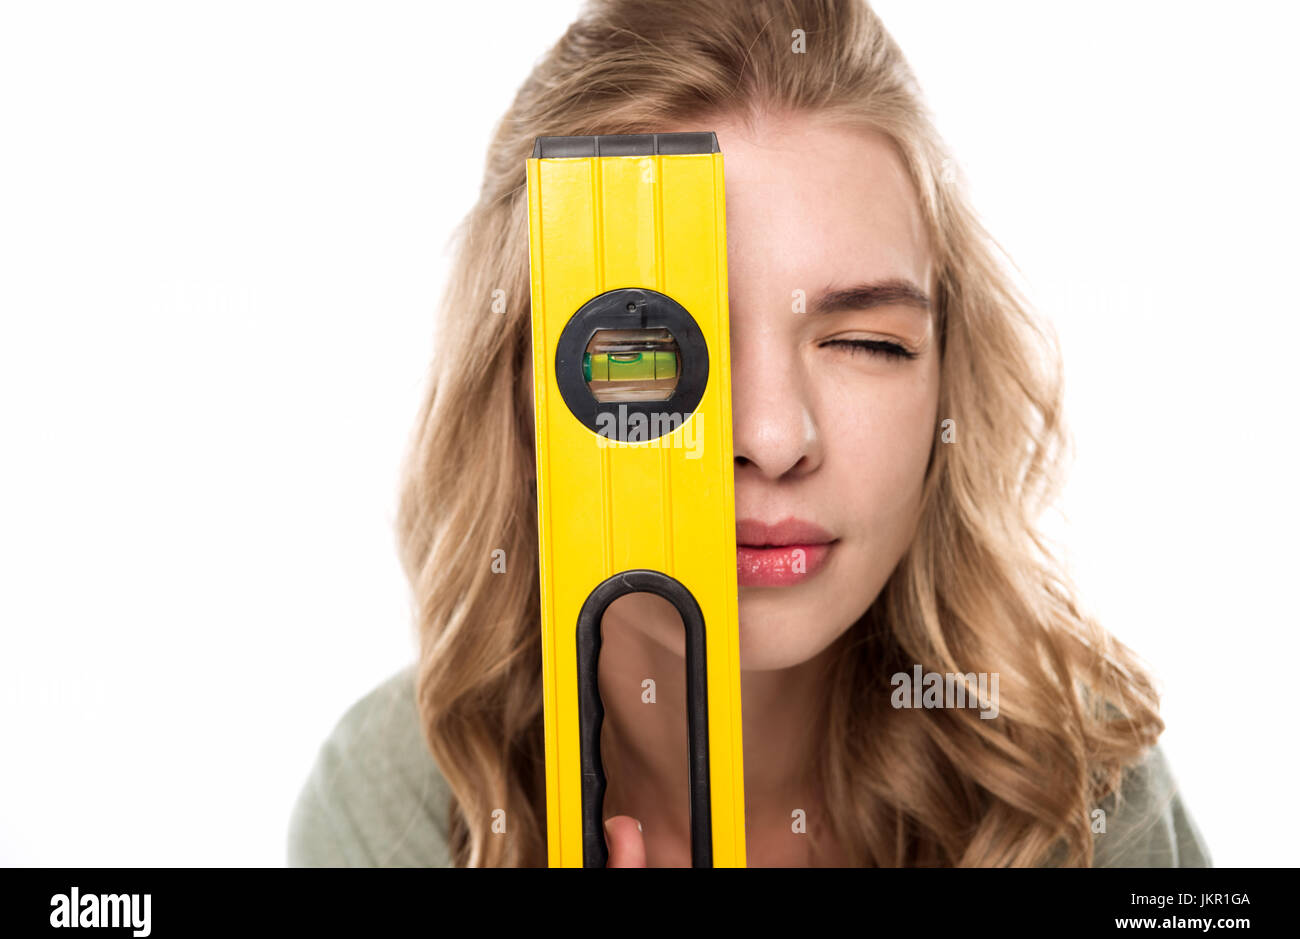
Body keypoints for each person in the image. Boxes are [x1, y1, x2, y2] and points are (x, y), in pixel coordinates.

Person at [289, 0, 1211, 868]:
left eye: (863, 342)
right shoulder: (402, 799)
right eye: (651, 348)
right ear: (519, 386)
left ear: (948, 381)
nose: (772, 438)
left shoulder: (1067, 781)